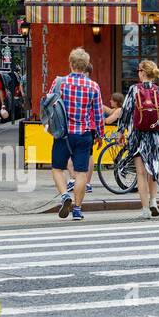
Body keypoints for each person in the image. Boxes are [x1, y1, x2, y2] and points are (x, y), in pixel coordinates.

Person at [48, 48, 105, 220]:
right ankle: (78, 209)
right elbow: (98, 114)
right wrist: (100, 134)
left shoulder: (59, 82)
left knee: (57, 168)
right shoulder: (93, 86)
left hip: (63, 134)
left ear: (71, 63)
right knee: (81, 172)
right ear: (86, 65)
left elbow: (50, 105)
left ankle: (65, 195)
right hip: (84, 134)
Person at [123, 60, 159, 219]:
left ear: (142, 72)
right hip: (155, 135)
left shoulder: (134, 90)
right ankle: (154, 201)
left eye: (138, 71)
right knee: (153, 170)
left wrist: (121, 131)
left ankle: (145, 209)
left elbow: (126, 111)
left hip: (138, 135)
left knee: (140, 173)